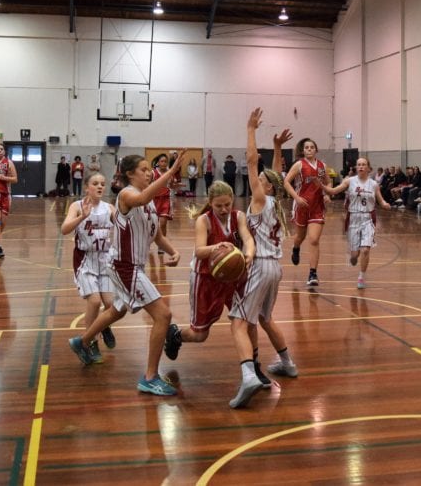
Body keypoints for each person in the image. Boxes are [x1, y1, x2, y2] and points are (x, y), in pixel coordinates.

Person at [68, 151, 185, 396]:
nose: (148, 172)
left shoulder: (150, 201)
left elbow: (157, 235)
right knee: (163, 315)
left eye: (148, 169)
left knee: (116, 310)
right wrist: (170, 173)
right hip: (125, 266)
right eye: (143, 169)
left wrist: (173, 251)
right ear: (130, 174)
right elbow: (142, 198)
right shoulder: (127, 195)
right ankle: (150, 377)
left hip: (132, 266)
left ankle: (83, 341)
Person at [163, 177, 257, 406]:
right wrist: (218, 248)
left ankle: (254, 370)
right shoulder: (203, 221)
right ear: (211, 203)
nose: (224, 209)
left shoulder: (239, 216)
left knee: (246, 321)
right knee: (200, 334)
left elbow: (247, 238)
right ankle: (175, 335)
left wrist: (249, 253)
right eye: (219, 206)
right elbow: (199, 250)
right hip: (205, 278)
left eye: (228, 204)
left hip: (232, 278)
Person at [233, 108, 298, 405]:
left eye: (261, 179)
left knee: (240, 321)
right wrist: (276, 147)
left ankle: (248, 375)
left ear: (266, 186)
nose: (256, 180)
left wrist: (250, 130)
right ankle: (287, 363)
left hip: (259, 266)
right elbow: (274, 174)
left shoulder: (260, 199)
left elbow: (251, 161)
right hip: (276, 267)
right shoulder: (276, 201)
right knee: (266, 318)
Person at [63, 171, 117, 365]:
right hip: (85, 260)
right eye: (95, 183)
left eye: (103, 183)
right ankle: (89, 343)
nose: (100, 186)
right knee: (94, 302)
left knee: (111, 306)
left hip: (105, 260)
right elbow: (64, 229)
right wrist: (81, 217)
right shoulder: (77, 206)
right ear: (87, 187)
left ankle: (102, 326)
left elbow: (123, 225)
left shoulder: (109, 207)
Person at [325, 156, 391, 289]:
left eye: (363, 164)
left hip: (368, 218)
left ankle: (361, 276)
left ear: (368, 168)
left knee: (366, 250)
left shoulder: (373, 184)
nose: (361, 166)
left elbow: (380, 200)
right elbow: (333, 191)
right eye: (359, 164)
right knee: (355, 255)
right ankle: (353, 256)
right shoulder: (349, 181)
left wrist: (385, 204)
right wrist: (321, 186)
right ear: (356, 167)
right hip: (353, 218)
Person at [283, 136, 329, 287]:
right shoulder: (299, 165)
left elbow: (328, 182)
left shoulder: (322, 166)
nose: (309, 149)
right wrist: (296, 198)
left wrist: (327, 193)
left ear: (316, 150)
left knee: (314, 239)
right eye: (307, 147)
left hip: (317, 207)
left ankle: (313, 273)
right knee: (300, 237)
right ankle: (295, 248)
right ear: (303, 151)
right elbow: (286, 182)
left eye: (312, 147)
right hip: (302, 206)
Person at [151, 153, 175, 260]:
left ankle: (161, 245)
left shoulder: (170, 173)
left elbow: (172, 185)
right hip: (154, 200)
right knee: (151, 224)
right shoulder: (153, 173)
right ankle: (150, 241)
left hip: (165, 200)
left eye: (165, 161)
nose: (164, 163)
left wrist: (173, 184)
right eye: (162, 161)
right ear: (158, 162)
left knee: (163, 223)